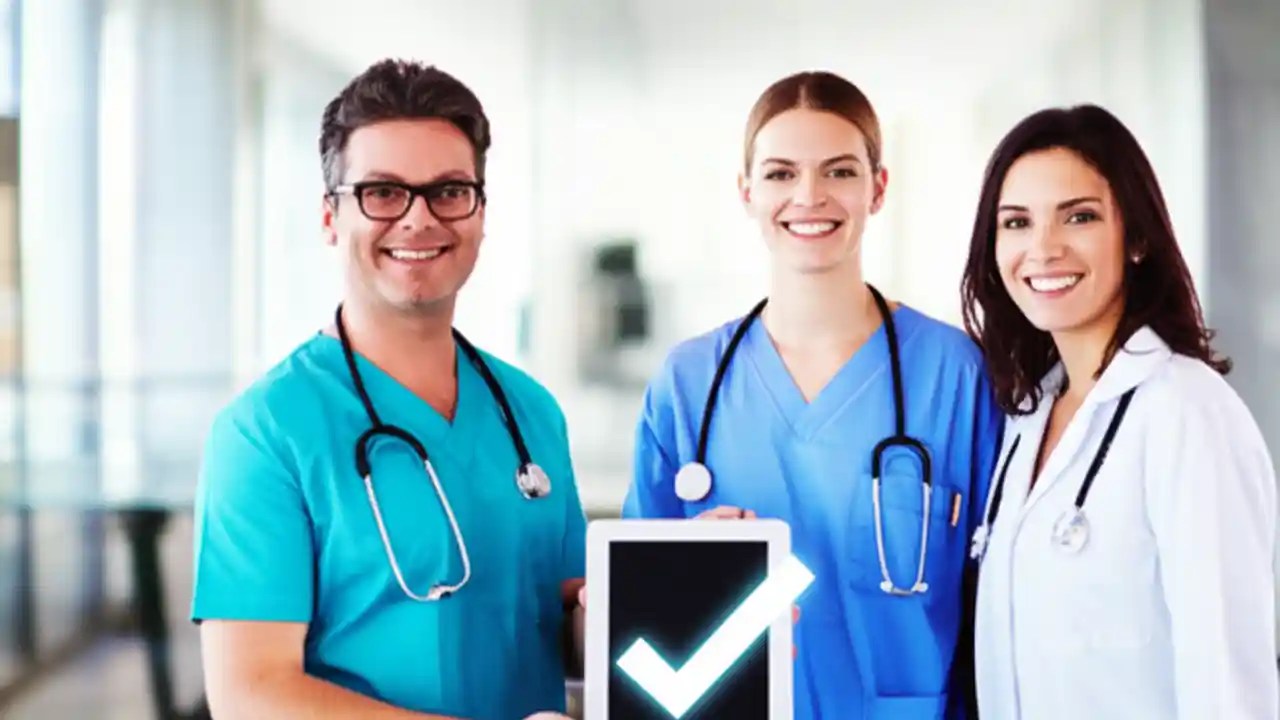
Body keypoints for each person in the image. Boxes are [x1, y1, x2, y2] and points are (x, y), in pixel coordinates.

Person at [190, 59, 585, 720]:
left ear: (481, 214)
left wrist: (684, 585)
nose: (418, 218)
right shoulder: (264, 432)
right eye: (382, 192)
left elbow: (566, 630)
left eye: (449, 190)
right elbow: (250, 693)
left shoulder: (531, 411)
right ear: (329, 218)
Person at [621, 70, 1003, 718]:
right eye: (779, 173)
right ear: (746, 192)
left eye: (840, 171)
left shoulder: (954, 374)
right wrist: (678, 576)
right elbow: (628, 626)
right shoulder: (688, 386)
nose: (810, 195)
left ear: (878, 188)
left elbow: (999, 603)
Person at [960, 104, 1278, 718]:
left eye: (1078, 217)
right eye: (1016, 222)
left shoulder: (1185, 410)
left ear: (1135, 238)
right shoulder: (1028, 417)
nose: (1043, 248)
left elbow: (1227, 677)